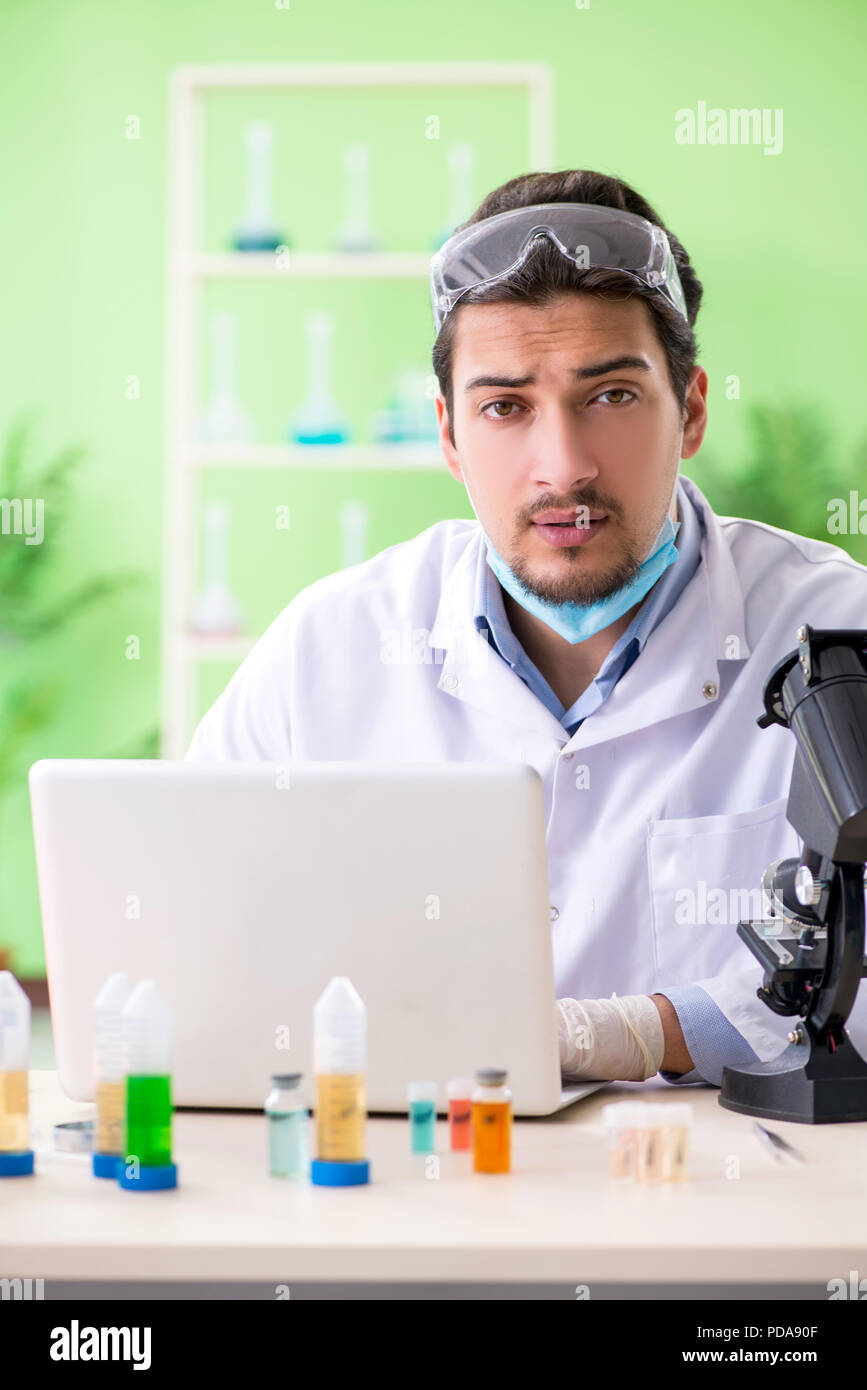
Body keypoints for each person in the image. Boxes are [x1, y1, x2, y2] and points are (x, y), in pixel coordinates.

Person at [185, 167, 867, 1087]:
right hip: (416, 1186)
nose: (564, 466)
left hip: (730, 1202)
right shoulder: (329, 651)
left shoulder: (835, 628)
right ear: (449, 436)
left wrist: (641, 1033)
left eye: (612, 396)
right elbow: (190, 939)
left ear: (692, 409)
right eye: (504, 407)